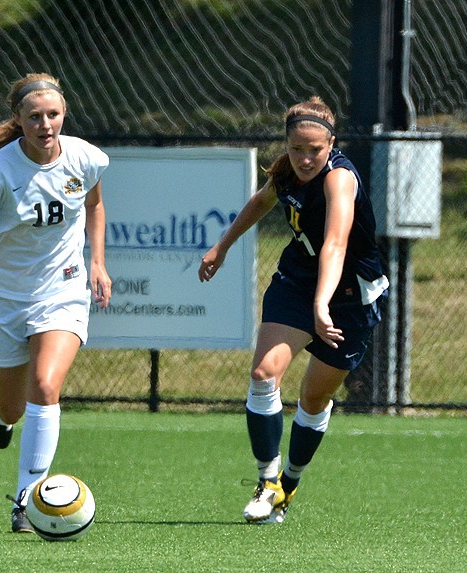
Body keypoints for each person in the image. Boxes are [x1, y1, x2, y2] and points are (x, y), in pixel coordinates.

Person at [198, 97, 389, 524]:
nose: (304, 159)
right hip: (297, 281)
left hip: (350, 296)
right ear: (286, 144)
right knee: (264, 373)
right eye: (296, 148)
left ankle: (289, 484)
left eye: (314, 150)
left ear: (331, 144)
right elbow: (263, 200)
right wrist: (222, 246)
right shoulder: (287, 169)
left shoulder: (340, 179)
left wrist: (323, 302)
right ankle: (268, 482)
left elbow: (336, 244)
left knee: (314, 397)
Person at [0, 73, 112, 533]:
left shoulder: (85, 158)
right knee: (12, 410)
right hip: (4, 298)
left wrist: (97, 263)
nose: (45, 125)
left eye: (53, 115)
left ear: (64, 115)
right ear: (18, 119)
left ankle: (26, 502)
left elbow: (94, 205)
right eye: (34, 117)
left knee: (44, 387)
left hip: (62, 291)